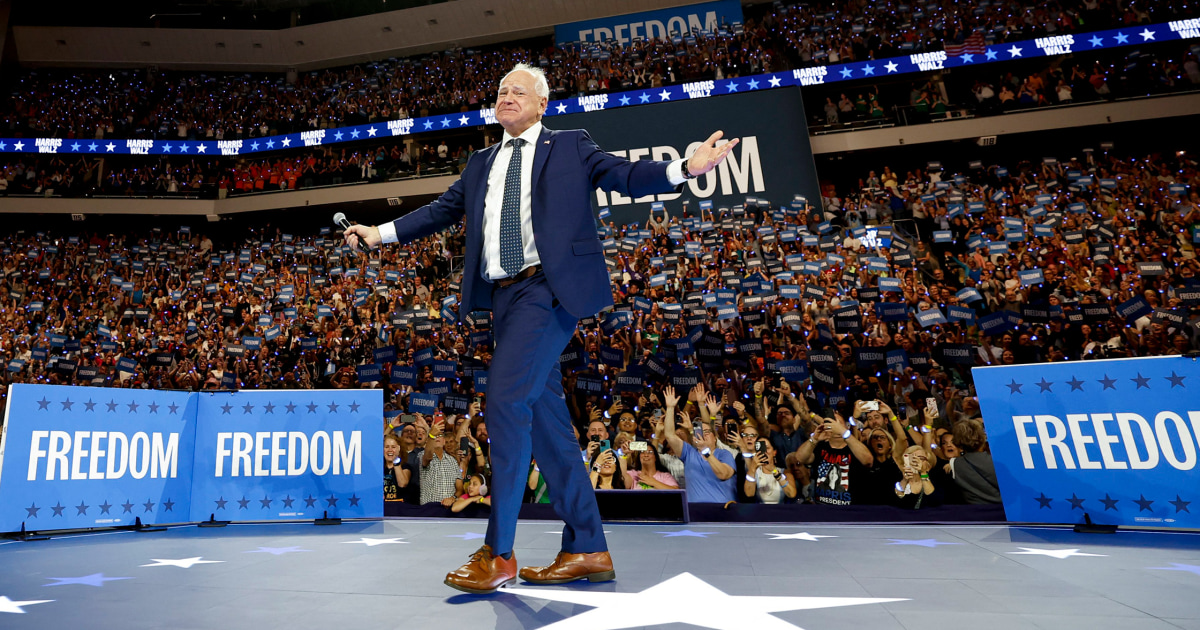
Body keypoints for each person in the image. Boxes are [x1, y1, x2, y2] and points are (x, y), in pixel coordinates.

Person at [343, 62, 738, 594]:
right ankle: (588, 548)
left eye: (518, 91)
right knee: (547, 425)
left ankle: (499, 551)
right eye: (501, 90)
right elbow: (440, 211)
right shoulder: (481, 162)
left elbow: (624, 175)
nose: (506, 96)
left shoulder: (570, 145)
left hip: (548, 291)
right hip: (503, 300)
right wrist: (380, 232)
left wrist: (684, 167)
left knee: (504, 404)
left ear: (541, 104)